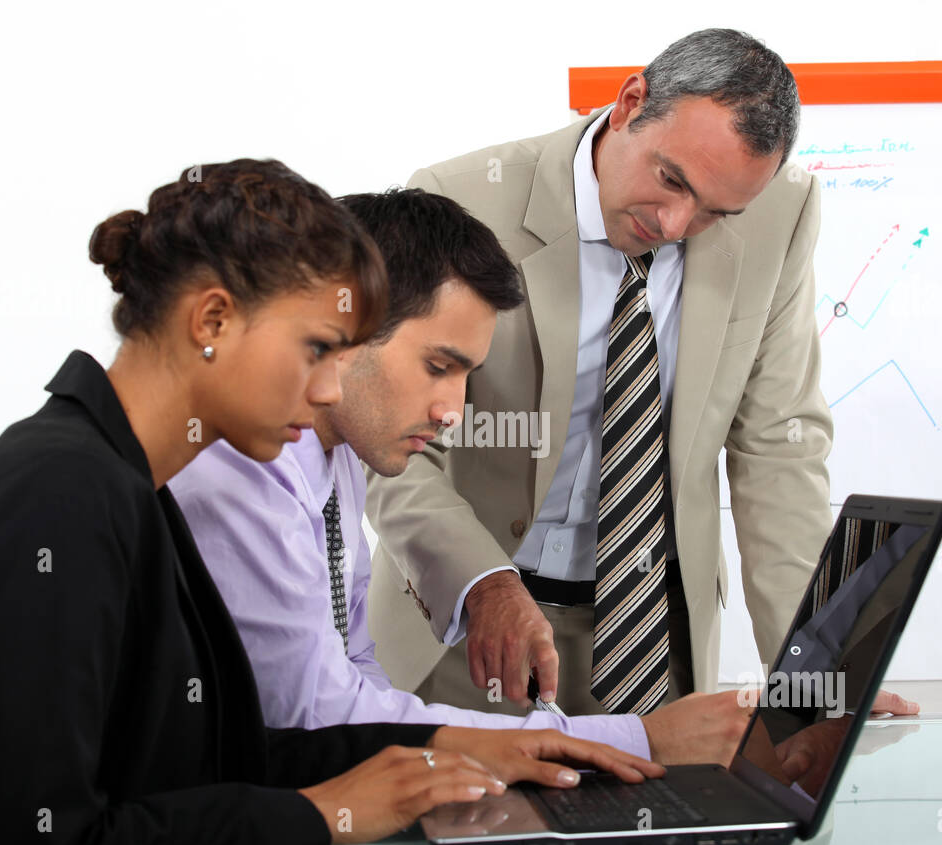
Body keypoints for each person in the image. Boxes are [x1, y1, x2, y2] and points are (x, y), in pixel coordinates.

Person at [0, 159, 661, 845]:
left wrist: (452, 749)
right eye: (319, 349)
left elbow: (215, 754)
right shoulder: (63, 495)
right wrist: (319, 814)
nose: (327, 390)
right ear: (212, 322)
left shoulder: (125, 482)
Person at [364, 28, 919, 723]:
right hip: (469, 628)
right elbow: (381, 438)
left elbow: (778, 447)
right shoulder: (461, 198)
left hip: (657, 640)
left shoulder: (784, 214)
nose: (677, 223)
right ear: (630, 103)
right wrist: (482, 581)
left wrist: (820, 665)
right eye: (672, 180)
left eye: (717, 212)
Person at [169, 187, 755, 768]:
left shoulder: (337, 452)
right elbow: (317, 717)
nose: (452, 412)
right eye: (438, 367)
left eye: (466, 376)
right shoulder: (245, 465)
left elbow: (357, 671)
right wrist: (634, 740)